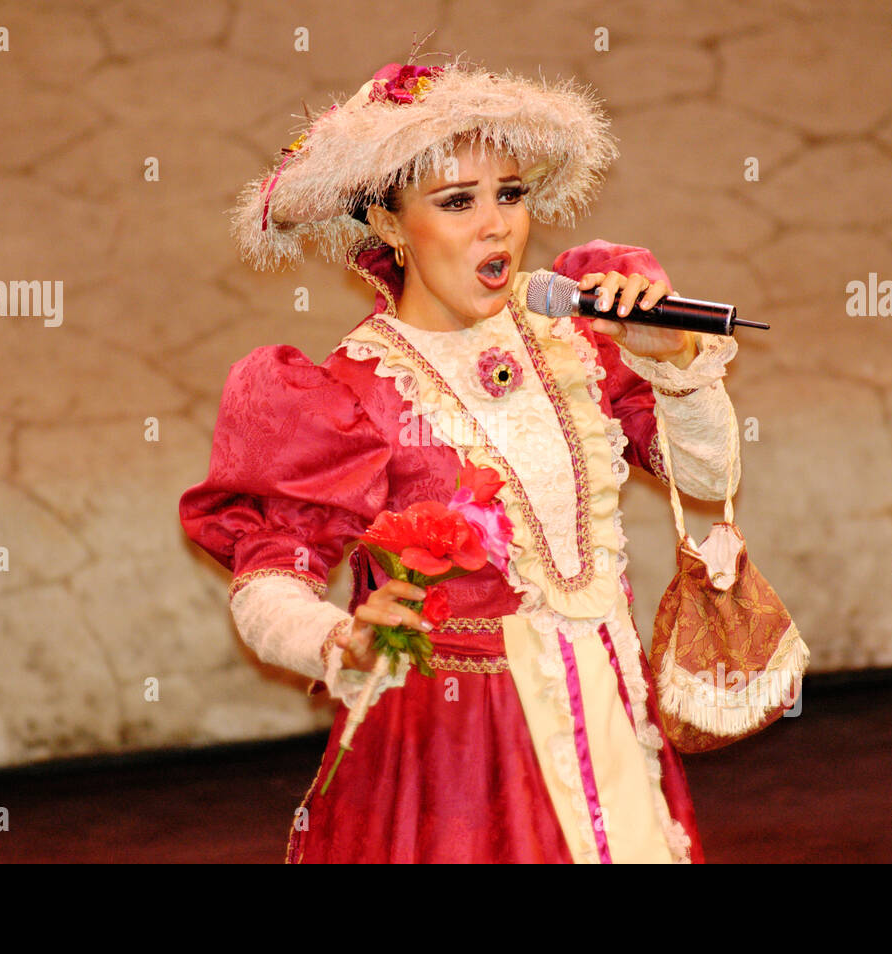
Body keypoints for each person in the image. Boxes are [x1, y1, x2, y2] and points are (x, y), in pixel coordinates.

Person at [178, 55, 742, 863]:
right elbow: (268, 584)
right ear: (388, 226)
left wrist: (674, 367)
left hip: (610, 705)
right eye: (456, 202)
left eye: (509, 194)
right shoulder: (349, 393)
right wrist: (342, 640)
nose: (497, 227)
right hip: (454, 744)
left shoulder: (580, 336)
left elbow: (710, 479)